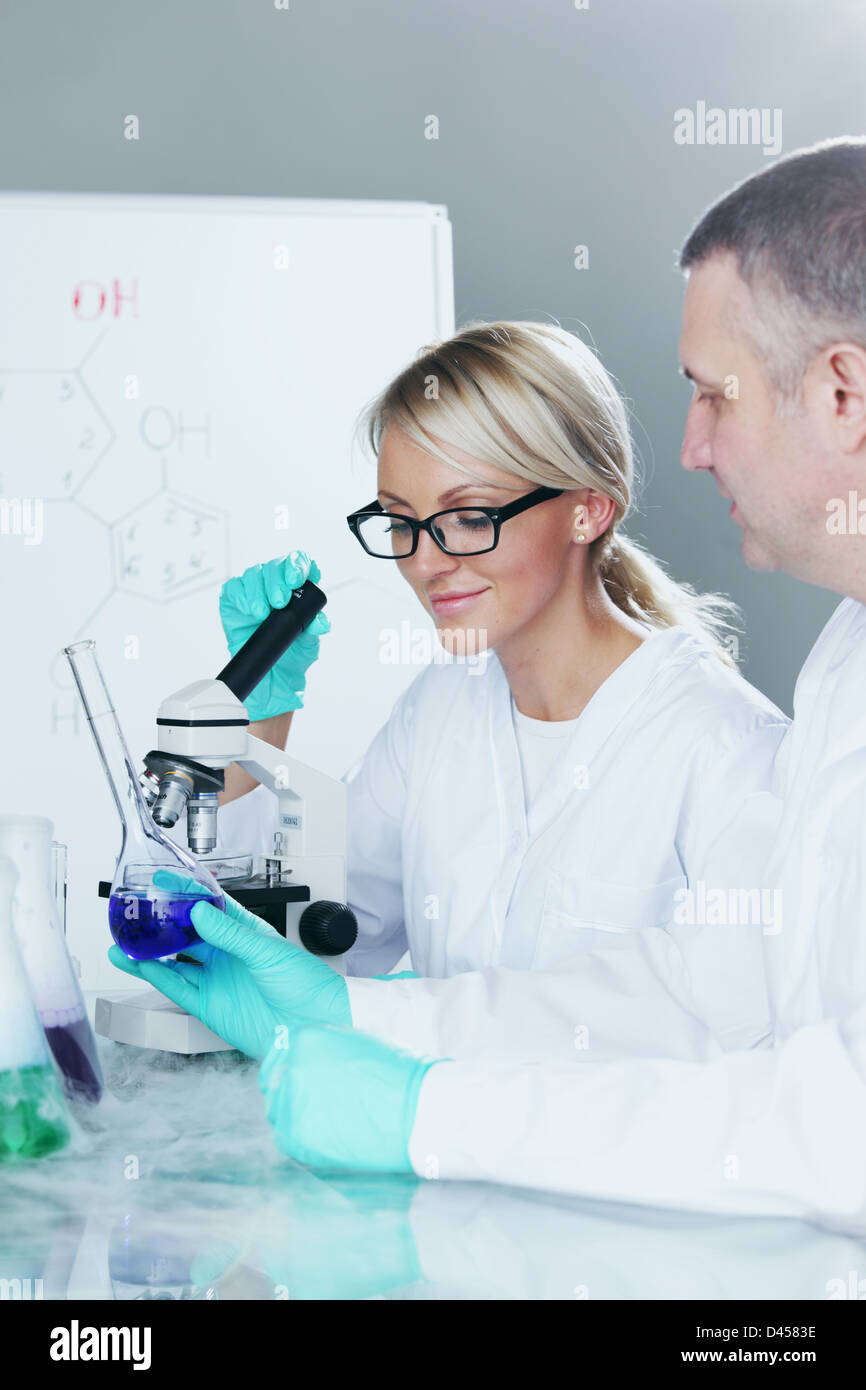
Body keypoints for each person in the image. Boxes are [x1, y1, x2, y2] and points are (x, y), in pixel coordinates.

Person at [241, 137, 866, 1233]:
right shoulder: (840, 667)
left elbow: (816, 1118)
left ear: (840, 391)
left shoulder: (726, 743)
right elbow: (694, 989)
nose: (690, 446)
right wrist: (368, 1018)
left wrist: (433, 1111)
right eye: (400, 524)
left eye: (712, 396)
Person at [110, 321, 789, 1070]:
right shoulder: (443, 707)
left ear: (587, 509)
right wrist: (261, 718)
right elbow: (322, 937)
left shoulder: (729, 748)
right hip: (440, 1170)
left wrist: (375, 1019)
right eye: (400, 522)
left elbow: (727, 1027)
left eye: (469, 516)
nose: (426, 561)